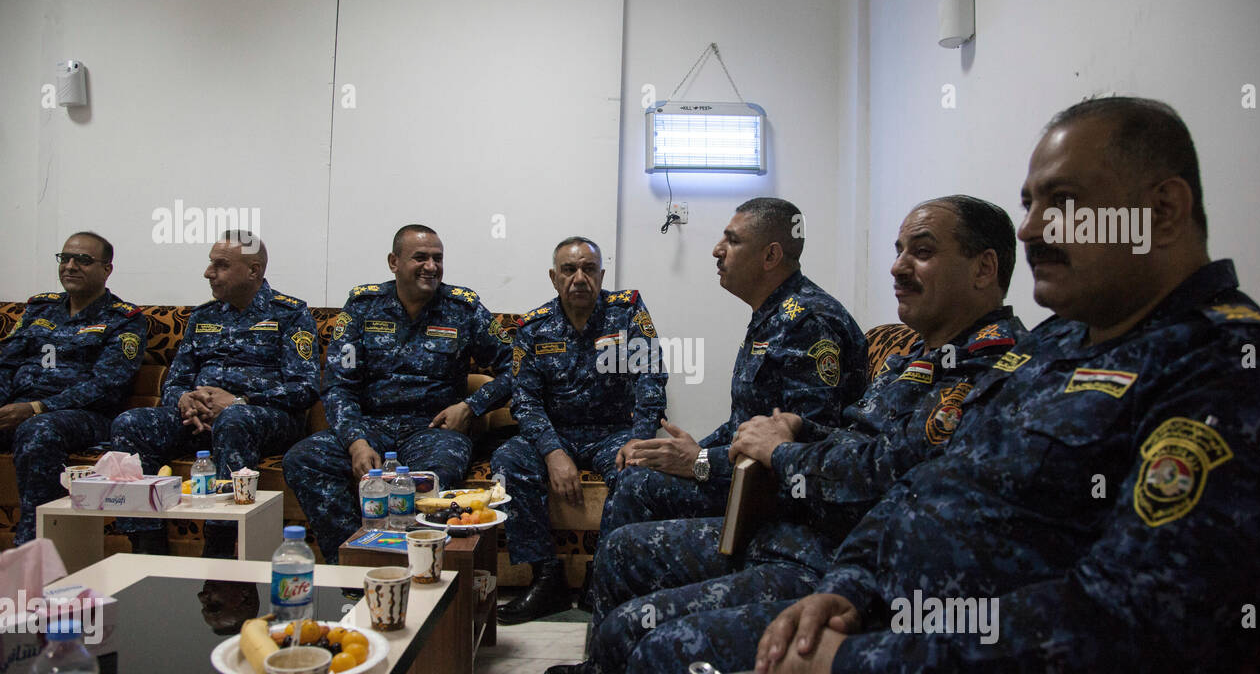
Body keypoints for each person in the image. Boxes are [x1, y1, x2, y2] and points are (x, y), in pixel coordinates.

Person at [609, 96, 1260, 674]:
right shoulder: (1055, 345)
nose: (1029, 229)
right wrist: (847, 587)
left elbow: (1126, 630)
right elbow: (928, 483)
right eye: (1029, 203)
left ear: (1163, 210)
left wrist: (856, 665)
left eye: (1063, 202)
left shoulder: (1233, 369)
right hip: (896, 632)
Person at [544, 196, 1027, 674]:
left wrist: (709, 461)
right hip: (800, 529)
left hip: (815, 543)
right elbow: (811, 435)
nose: (896, 266)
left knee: (641, 625)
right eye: (897, 251)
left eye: (920, 252)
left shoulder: (826, 326)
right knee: (630, 520)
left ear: (984, 269)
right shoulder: (918, 355)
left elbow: (874, 472)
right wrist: (714, 448)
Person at [599, 198, 870, 533]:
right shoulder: (772, 315)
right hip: (750, 479)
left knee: (634, 486)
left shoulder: (808, 323)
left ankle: (612, 582)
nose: (717, 249)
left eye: (733, 240)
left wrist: (699, 462)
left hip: (789, 505)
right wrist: (684, 451)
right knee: (639, 469)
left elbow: (806, 450)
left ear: (771, 256)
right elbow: (744, 425)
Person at [282, 224, 513, 564]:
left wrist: (470, 406)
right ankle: (354, 559)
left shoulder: (463, 309)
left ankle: (414, 567)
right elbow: (336, 383)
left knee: (433, 476)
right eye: (420, 258)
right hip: (370, 426)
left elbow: (518, 368)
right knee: (303, 459)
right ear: (394, 262)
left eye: (437, 258)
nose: (431, 267)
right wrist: (356, 440)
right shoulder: (363, 307)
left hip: (433, 431)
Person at [491, 237, 667, 624]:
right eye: (569, 270)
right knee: (507, 459)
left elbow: (651, 378)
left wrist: (639, 437)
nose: (580, 278)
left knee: (636, 471)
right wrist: (554, 453)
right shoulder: (533, 327)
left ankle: (601, 578)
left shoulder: (628, 313)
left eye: (589, 269)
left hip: (615, 432)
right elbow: (525, 400)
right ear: (554, 278)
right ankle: (545, 579)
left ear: (602, 275)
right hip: (557, 433)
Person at [111, 232, 318, 558]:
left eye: (220, 265)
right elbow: (175, 381)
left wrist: (239, 401)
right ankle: (145, 543)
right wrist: (185, 400)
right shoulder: (203, 316)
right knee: (130, 423)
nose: (209, 272)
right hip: (198, 419)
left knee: (234, 421)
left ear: (254, 270)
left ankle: (220, 545)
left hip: (263, 421)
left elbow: (304, 388)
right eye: (211, 264)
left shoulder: (290, 314)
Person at [0, 232, 145, 544]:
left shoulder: (123, 319)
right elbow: (6, 364)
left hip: (81, 416)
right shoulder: (38, 309)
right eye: (64, 258)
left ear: (107, 269)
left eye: (83, 260)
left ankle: (34, 549)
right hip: (20, 408)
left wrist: (37, 408)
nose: (70, 266)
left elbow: (106, 385)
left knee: (37, 430)